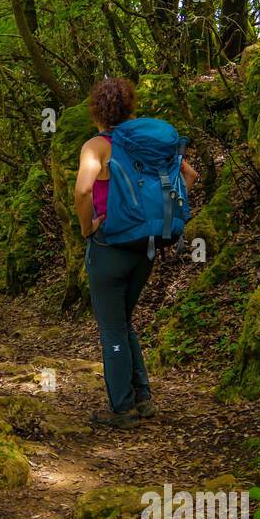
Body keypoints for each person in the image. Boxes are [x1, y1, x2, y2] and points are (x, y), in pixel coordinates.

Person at [73, 78, 197, 430]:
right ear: (130, 108)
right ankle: (142, 399)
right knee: (124, 323)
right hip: (147, 246)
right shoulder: (147, 143)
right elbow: (189, 177)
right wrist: (157, 216)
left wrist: (88, 227)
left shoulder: (96, 146)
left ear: (95, 110)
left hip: (109, 246)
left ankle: (122, 410)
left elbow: (83, 191)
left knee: (112, 328)